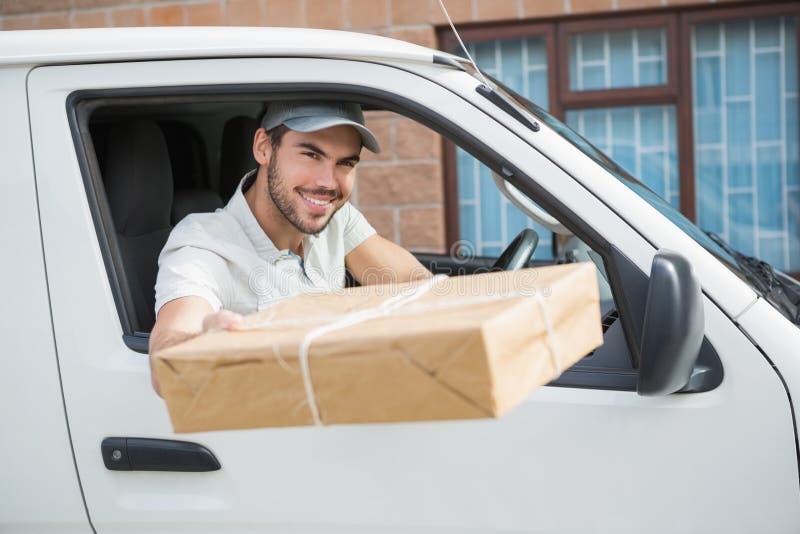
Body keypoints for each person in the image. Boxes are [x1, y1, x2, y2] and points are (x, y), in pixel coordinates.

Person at [149, 101, 431, 394]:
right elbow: (164, 358)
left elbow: (417, 285)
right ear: (263, 148)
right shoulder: (205, 246)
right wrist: (204, 345)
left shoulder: (334, 217)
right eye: (311, 154)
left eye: (345, 163)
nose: (327, 182)